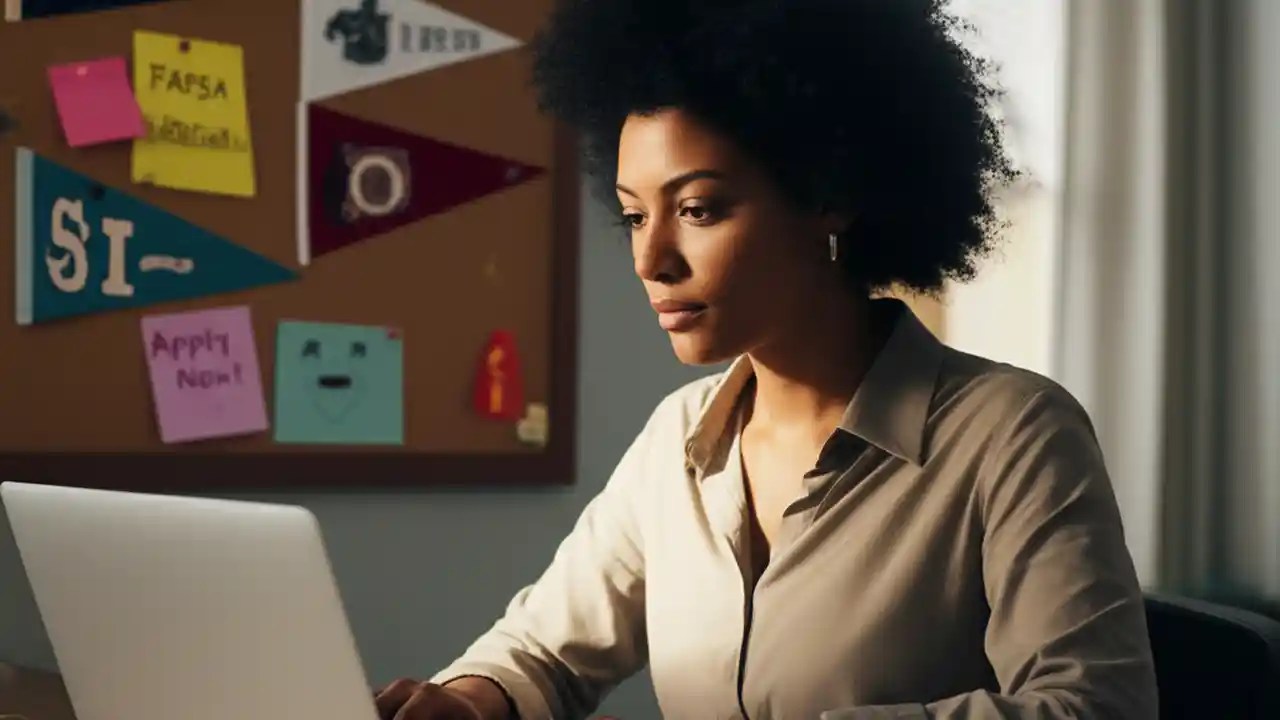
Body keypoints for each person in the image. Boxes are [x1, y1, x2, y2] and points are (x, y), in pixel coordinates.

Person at [375, 0, 1159, 718]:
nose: (651, 260)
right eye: (635, 216)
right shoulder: (678, 441)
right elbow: (544, 650)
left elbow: (1096, 706)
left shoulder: (1013, 435)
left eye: (697, 209)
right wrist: (467, 702)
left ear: (828, 195)